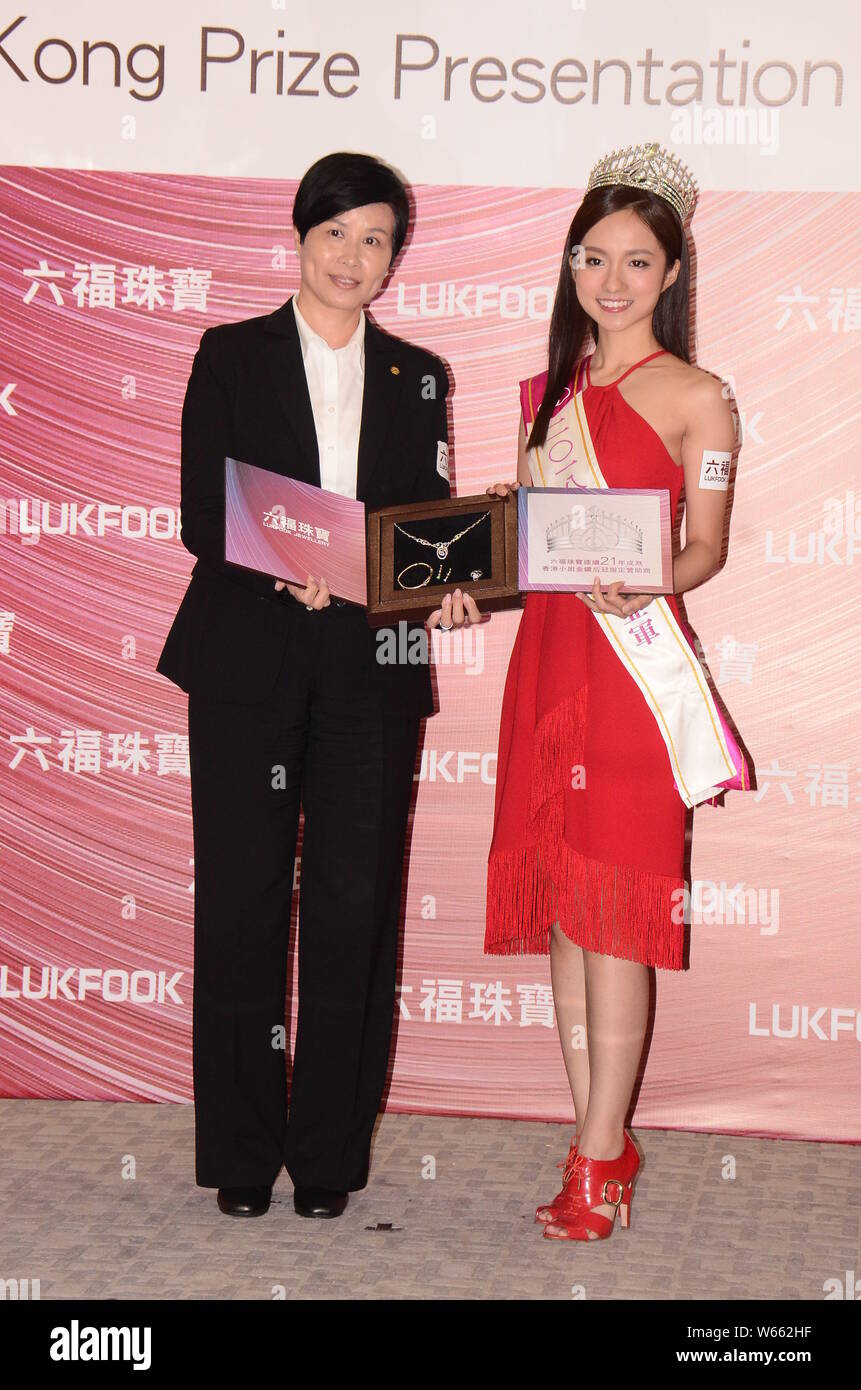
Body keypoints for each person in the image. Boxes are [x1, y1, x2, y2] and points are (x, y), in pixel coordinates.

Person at [156, 151, 481, 1219]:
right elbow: (208, 514)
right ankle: (241, 1155)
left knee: (357, 909)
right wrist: (280, 563)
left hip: (372, 668)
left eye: (375, 238)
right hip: (250, 653)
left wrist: (450, 589)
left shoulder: (418, 374)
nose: (352, 256)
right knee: (242, 904)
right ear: (301, 237)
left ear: (396, 258)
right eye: (336, 232)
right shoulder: (230, 353)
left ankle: (329, 1160)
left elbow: (423, 530)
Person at [483, 142, 749, 1241]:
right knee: (563, 914)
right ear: (571, 266)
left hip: (634, 670)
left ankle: (601, 1159)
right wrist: (468, 571)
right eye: (593, 258)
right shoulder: (544, 399)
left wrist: (653, 573)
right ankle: (595, 1127)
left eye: (638, 261)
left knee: (616, 915)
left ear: (672, 274)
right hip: (547, 665)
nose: (612, 281)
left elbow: (708, 550)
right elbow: (523, 550)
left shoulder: (702, 397)